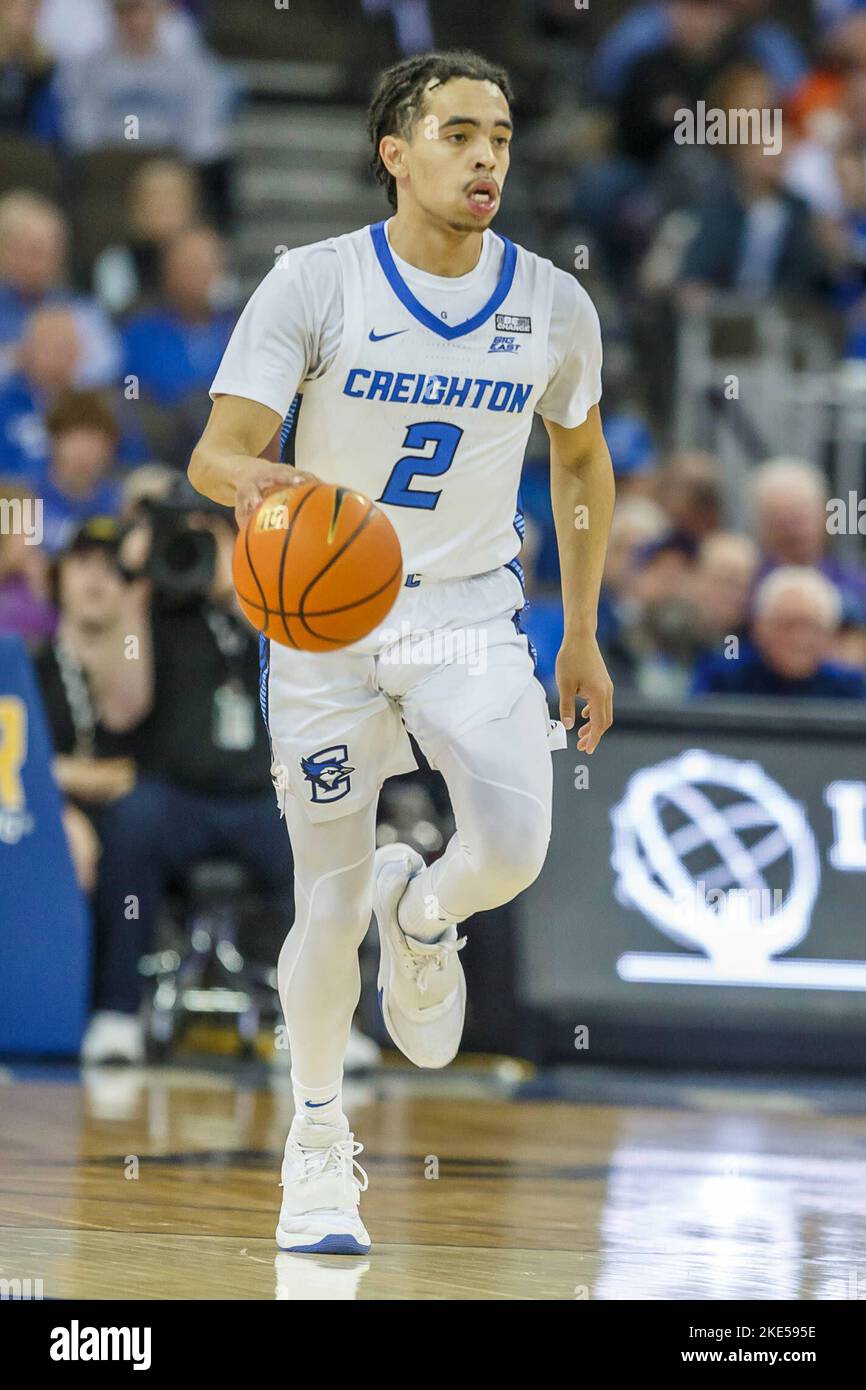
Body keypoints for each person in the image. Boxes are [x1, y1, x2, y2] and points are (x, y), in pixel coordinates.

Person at [189, 49, 615, 1255]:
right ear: (395, 151)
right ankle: (318, 1151)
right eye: (459, 134)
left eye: (500, 137)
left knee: (518, 848)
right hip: (321, 624)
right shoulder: (312, 284)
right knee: (321, 905)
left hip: (467, 609)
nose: (486, 157)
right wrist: (255, 481)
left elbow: (579, 462)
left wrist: (579, 632)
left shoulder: (549, 303)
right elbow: (214, 453)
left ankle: (422, 916)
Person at [691, 564, 866, 697]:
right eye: (788, 625)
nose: (800, 639)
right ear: (760, 628)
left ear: (829, 635)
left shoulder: (850, 689)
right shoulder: (723, 679)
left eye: (813, 628)